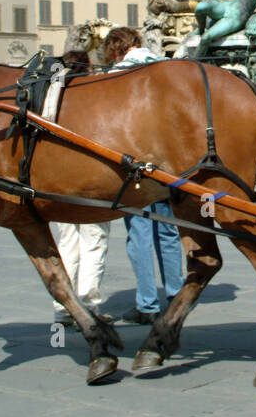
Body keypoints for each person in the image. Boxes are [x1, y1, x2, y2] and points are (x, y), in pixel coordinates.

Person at [100, 27, 184, 324]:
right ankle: (176, 296)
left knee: (139, 234)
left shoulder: (116, 74)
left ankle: (147, 305)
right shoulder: (163, 66)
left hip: (133, 165)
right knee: (169, 231)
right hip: (166, 163)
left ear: (115, 48)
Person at [49, 48, 111, 326]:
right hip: (88, 182)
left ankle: (63, 306)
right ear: (87, 68)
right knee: (94, 240)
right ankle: (89, 303)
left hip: (57, 180)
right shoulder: (93, 93)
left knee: (67, 243)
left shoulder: (52, 94)